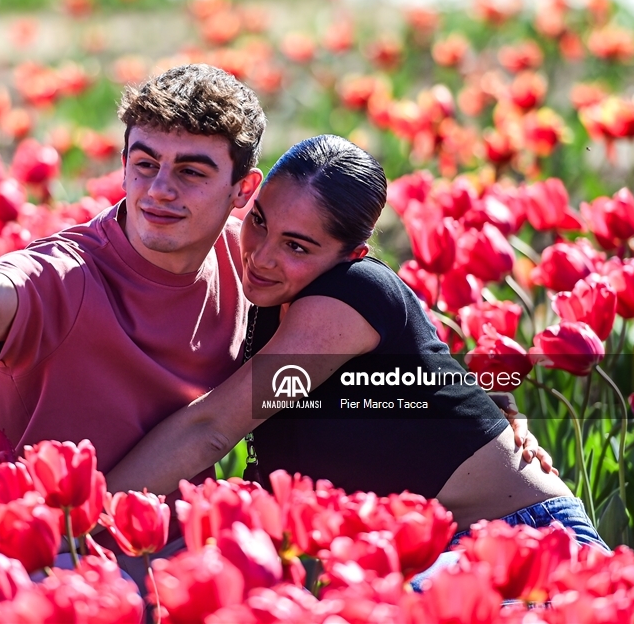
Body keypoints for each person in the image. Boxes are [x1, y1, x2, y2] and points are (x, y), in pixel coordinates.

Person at [104, 135, 606, 585]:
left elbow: (212, 429)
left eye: (297, 246)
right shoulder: (264, 281)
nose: (261, 256)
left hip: (524, 545)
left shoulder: (347, 297)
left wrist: (82, 522)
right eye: (259, 220)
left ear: (353, 254)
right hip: (414, 556)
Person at [0, 64, 266, 579]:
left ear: (243, 189)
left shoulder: (245, 260)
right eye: (145, 164)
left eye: (191, 171)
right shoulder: (66, 276)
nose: (160, 189)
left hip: (165, 546)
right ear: (122, 165)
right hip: (40, 559)